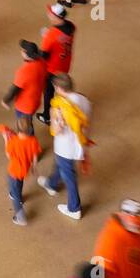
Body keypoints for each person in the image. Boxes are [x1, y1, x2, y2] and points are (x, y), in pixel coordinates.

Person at [37, 73, 91, 221]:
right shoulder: (84, 100)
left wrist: (55, 121)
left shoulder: (59, 105)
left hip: (64, 147)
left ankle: (74, 208)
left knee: (69, 176)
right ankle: (51, 184)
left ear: (59, 88)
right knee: (62, 167)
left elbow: (56, 130)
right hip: (79, 144)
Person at [37, 2, 76, 126]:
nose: (48, 14)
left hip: (52, 69)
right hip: (65, 64)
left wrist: (45, 36)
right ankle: (65, 109)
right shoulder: (71, 26)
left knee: (48, 93)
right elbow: (61, 39)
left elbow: (44, 55)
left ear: (57, 17)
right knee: (63, 88)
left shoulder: (51, 35)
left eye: (50, 13)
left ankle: (47, 116)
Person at [0, 120, 42, 226]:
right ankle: (18, 195)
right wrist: (34, 167)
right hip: (25, 169)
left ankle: (20, 217)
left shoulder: (13, 142)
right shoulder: (33, 140)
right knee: (19, 182)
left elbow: (9, 155)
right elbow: (35, 156)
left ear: (17, 129)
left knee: (15, 192)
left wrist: (6, 139)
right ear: (30, 129)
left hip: (14, 170)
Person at [2, 40, 49, 133]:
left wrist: (6, 100)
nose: (21, 51)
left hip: (24, 105)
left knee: (25, 126)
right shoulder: (42, 63)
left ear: (27, 55)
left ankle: (29, 141)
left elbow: (15, 89)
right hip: (35, 101)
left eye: (23, 50)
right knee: (28, 121)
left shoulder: (24, 71)